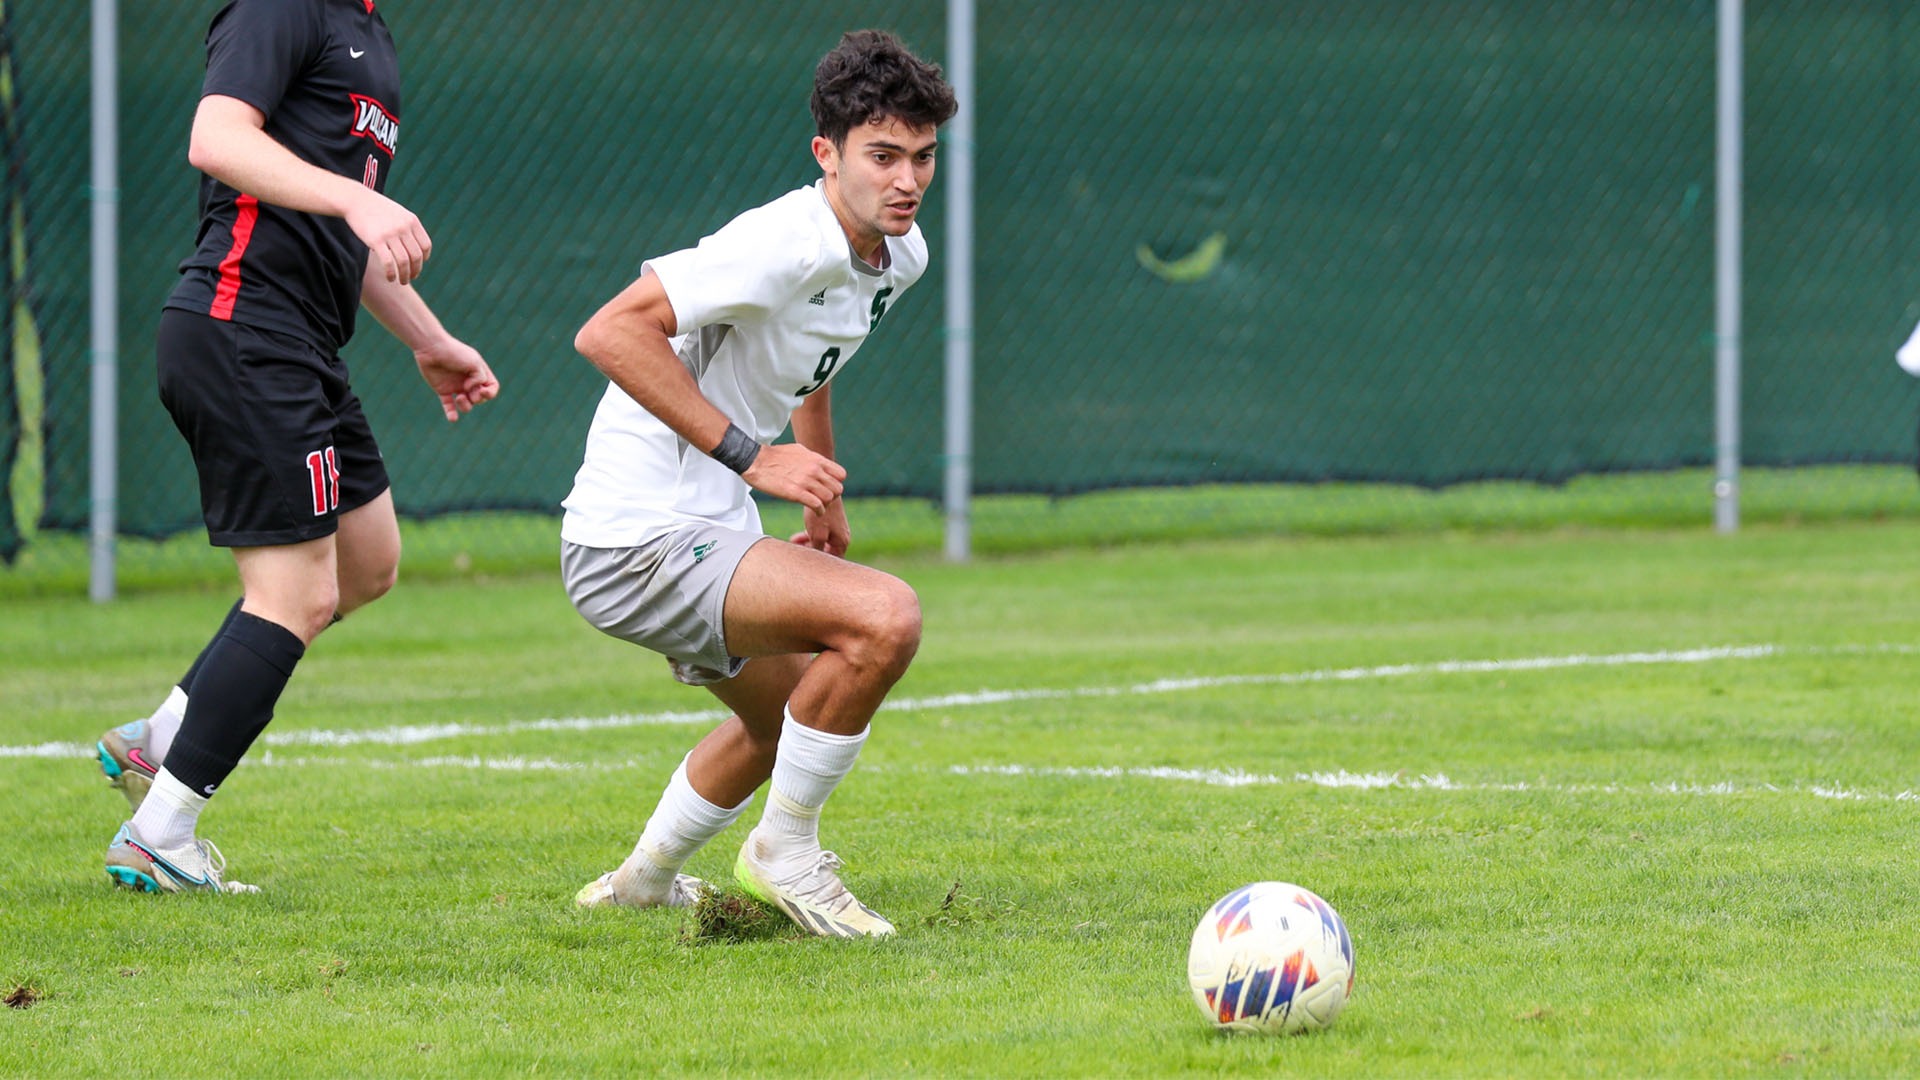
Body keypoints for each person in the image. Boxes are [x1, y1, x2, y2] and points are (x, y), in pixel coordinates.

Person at [560, 29, 956, 938]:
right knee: (884, 617)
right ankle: (786, 855)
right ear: (828, 154)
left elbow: (817, 361)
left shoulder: (899, 255)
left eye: (922, 157)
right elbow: (610, 333)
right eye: (882, 156)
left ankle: (641, 882)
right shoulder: (786, 239)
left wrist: (822, 494)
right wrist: (753, 455)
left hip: (700, 526)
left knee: (788, 721)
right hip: (637, 534)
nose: (906, 180)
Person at [96, 0, 499, 893]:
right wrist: (356, 193)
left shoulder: (372, 35)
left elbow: (338, 230)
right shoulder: (281, 5)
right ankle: (160, 833)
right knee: (296, 592)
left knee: (366, 560)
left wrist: (429, 339)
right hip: (243, 327)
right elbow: (217, 137)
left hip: (302, 345)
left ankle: (168, 729)